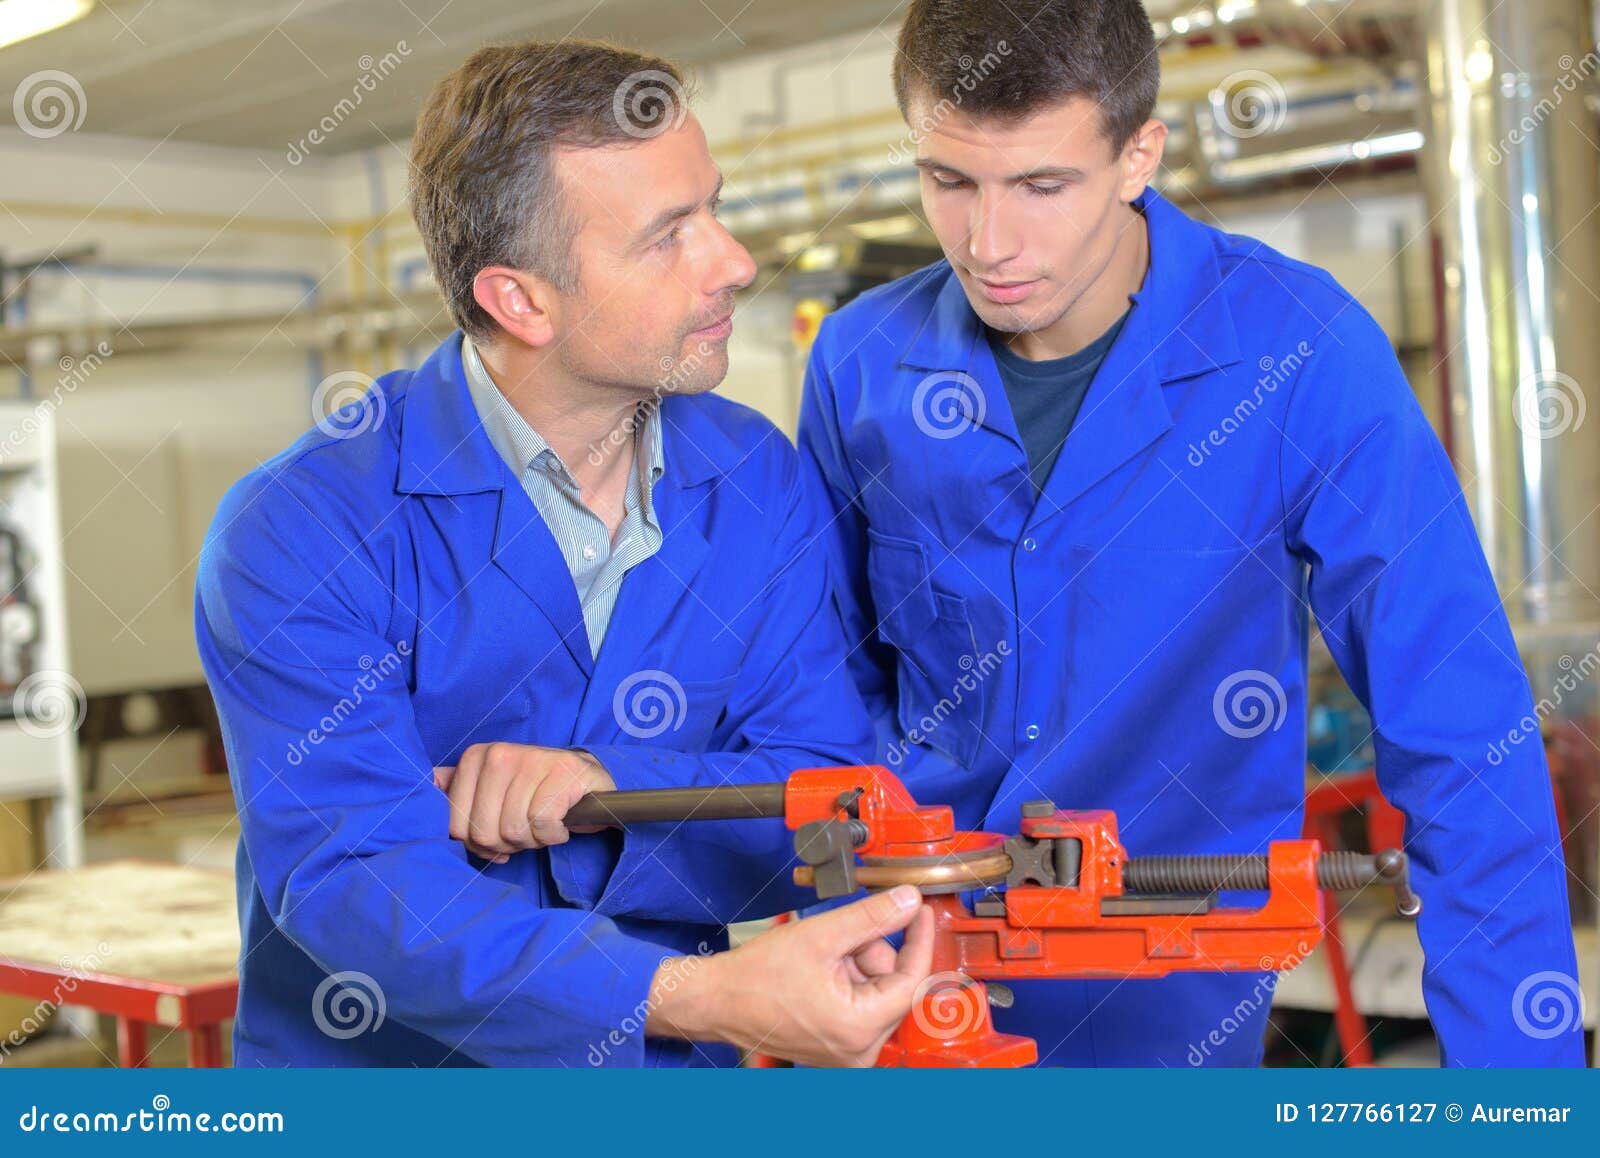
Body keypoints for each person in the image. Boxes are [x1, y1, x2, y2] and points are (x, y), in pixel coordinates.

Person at [797, 0, 1582, 1066]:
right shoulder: (858, 364)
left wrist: (1518, 1087)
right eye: (950, 181)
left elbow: (1459, 723)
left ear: (1139, 155)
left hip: (1168, 992)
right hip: (899, 982)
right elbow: (819, 694)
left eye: (1041, 186)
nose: (988, 243)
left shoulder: (1296, 349)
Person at [195, 39, 932, 1068]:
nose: (734, 261)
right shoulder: (300, 528)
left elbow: (823, 801)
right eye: (668, 237)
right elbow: (360, 883)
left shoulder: (754, 479)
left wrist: (609, 786)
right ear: (521, 301)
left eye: (712, 208)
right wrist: (693, 994)